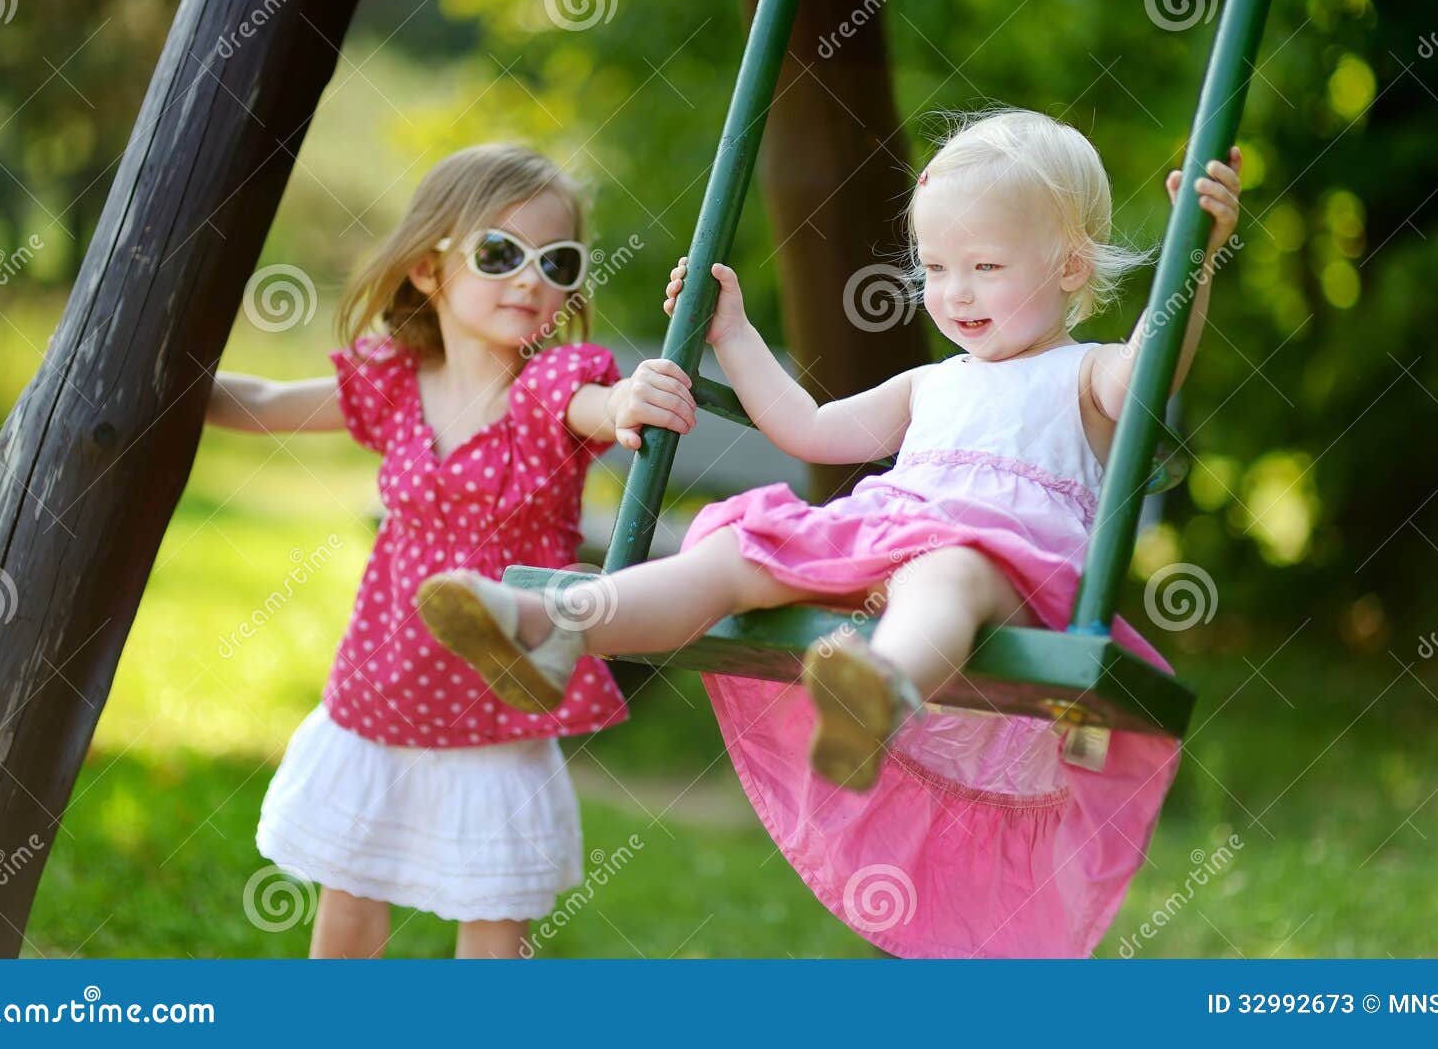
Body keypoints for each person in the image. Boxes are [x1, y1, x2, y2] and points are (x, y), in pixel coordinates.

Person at [415, 110, 1241, 956]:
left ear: (1069, 266)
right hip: (881, 544)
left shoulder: (1089, 373)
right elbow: (809, 427)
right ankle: (557, 630)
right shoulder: (931, 381)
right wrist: (730, 335)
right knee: (736, 550)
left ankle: (877, 691)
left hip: (1007, 577)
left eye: (986, 267)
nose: (955, 292)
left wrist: (1196, 258)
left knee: (945, 571)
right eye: (937, 267)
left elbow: (1156, 366)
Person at [205, 144, 694, 958]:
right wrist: (154, 382)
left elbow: (601, 409)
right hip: (383, 681)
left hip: (496, 698)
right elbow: (261, 403)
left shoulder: (548, 386)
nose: (531, 278)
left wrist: (631, 398)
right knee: (350, 886)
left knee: (494, 904)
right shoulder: (397, 379)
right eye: (500, 254)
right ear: (431, 270)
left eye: (557, 260)